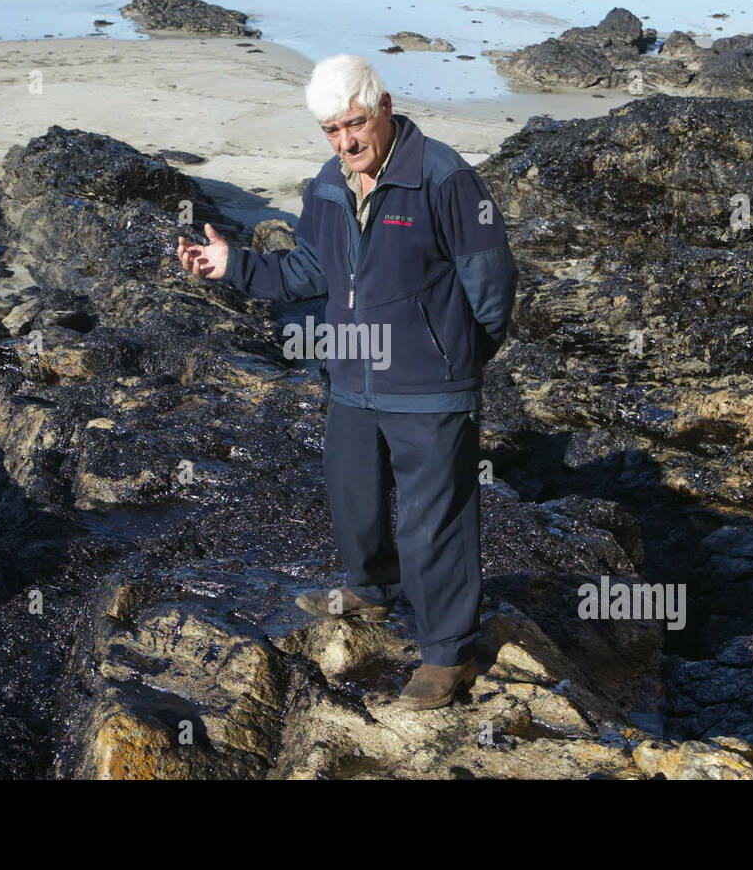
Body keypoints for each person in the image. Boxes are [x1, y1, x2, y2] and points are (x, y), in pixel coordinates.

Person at [176, 54, 517, 710]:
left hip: (430, 387)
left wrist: (456, 358)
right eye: (332, 130)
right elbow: (306, 271)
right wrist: (232, 265)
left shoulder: (447, 179)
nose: (345, 142)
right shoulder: (328, 188)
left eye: (355, 124)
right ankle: (371, 584)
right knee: (351, 495)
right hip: (352, 379)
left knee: (434, 521)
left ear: (383, 105)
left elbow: (493, 288)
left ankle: (448, 656)